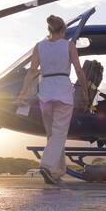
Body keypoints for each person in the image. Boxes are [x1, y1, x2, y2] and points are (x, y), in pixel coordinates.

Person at [15, 15, 88, 185]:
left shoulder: (39, 47)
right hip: (63, 91)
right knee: (59, 133)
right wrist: (85, 91)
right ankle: (47, 165)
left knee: (53, 135)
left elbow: (32, 71)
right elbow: (79, 70)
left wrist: (22, 93)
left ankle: (57, 172)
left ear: (49, 30)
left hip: (46, 93)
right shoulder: (69, 45)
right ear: (63, 30)